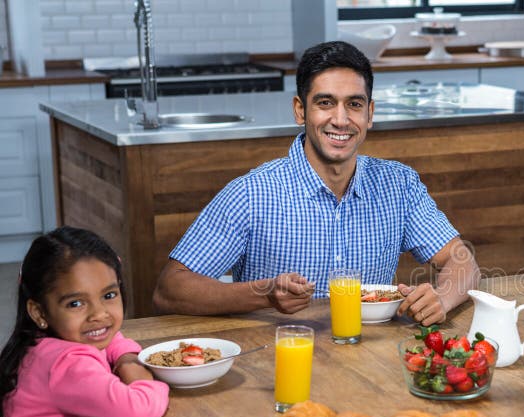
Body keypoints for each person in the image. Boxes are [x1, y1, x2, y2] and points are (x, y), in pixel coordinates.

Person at [152, 41, 479, 326]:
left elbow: (461, 260)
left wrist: (442, 298)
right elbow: (169, 289)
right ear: (300, 110)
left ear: (369, 114)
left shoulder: (399, 185)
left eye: (354, 104)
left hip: (370, 357)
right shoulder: (250, 194)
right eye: (325, 103)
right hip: (278, 357)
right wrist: (264, 294)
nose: (341, 119)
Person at [0, 227, 170, 417]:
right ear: (39, 312)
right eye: (76, 303)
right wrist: (152, 379)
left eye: (109, 295)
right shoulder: (67, 365)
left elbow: (111, 338)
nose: (99, 314)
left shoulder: (38, 343)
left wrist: (122, 352)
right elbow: (133, 413)